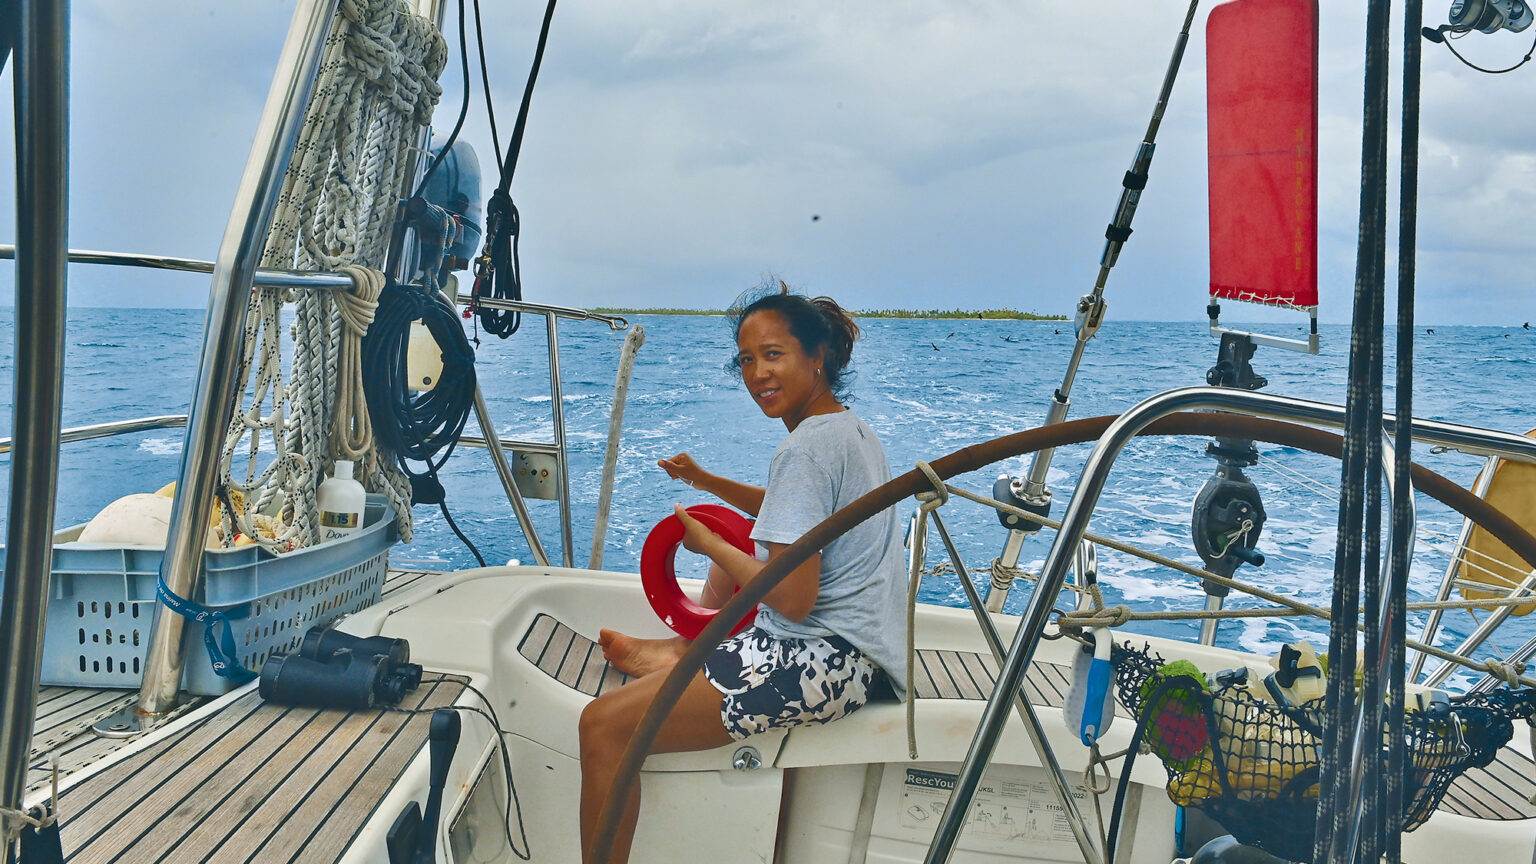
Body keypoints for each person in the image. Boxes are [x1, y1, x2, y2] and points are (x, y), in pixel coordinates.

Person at [578, 284, 910, 863]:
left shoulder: (805, 450)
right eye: (747, 359)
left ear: (818, 356)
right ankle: (677, 656)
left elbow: (792, 597)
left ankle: (680, 657)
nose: (758, 373)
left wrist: (708, 542)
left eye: (773, 354)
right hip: (864, 653)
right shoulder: (846, 430)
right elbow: (792, 510)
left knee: (603, 727)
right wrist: (707, 482)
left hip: (823, 660)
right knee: (724, 616)